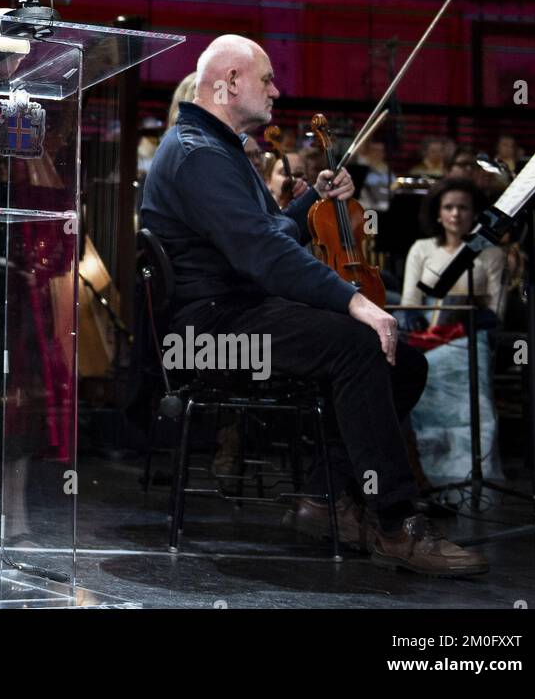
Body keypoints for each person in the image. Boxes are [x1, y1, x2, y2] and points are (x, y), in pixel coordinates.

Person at [141, 34, 487, 575]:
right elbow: (262, 254)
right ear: (229, 83)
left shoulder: (214, 148)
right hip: (210, 336)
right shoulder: (198, 155)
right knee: (360, 343)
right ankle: (396, 524)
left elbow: (265, 235)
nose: (277, 90)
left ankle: (329, 499)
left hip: (233, 317)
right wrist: (355, 303)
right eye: (268, 78)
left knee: (406, 363)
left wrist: (310, 202)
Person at [399, 177, 506, 484]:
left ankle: (471, 472)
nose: (456, 214)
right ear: (437, 213)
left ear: (475, 214)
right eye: (449, 207)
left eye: (463, 208)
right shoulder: (421, 249)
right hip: (427, 339)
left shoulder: (490, 254)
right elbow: (409, 306)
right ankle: (427, 473)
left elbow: (497, 312)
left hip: (471, 339)